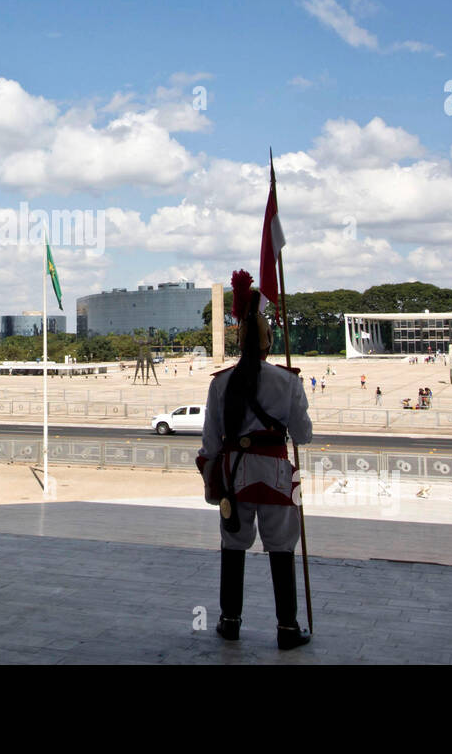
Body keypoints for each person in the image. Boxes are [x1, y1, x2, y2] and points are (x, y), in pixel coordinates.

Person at [196, 270, 312, 650]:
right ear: (268, 343)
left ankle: (230, 622)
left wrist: (212, 478)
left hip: (235, 476)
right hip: (276, 475)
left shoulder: (220, 383)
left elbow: (211, 439)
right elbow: (304, 435)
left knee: (233, 545)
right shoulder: (288, 380)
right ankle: (287, 628)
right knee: (281, 547)